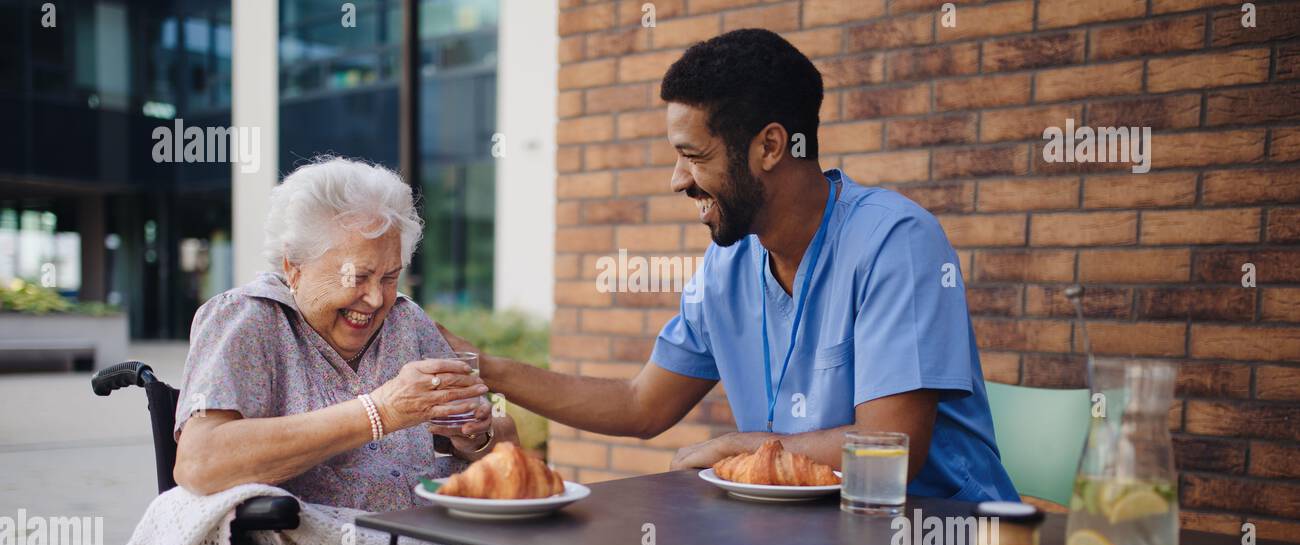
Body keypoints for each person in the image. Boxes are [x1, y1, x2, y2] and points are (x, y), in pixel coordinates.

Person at [440, 29, 1018, 502]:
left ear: (769, 147)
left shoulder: (896, 241)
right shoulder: (730, 264)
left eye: (694, 156)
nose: (677, 180)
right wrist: (481, 365)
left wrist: (742, 449)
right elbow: (641, 405)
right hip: (803, 536)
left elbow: (893, 448)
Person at [172, 156, 517, 511]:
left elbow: (505, 438)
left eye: (389, 277)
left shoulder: (406, 320)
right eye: (357, 276)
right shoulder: (248, 319)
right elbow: (199, 464)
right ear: (294, 266)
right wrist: (380, 411)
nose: (376, 298)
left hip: (435, 537)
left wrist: (476, 436)